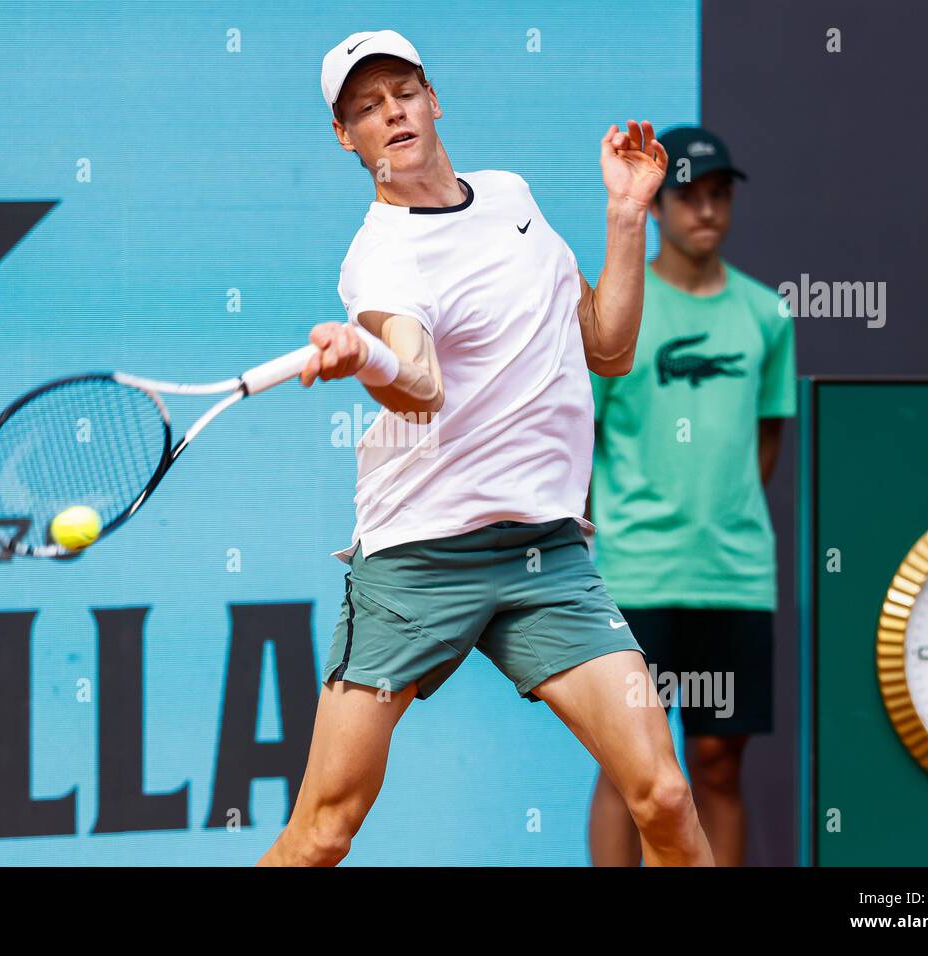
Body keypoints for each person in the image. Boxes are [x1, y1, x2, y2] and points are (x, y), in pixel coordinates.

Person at [257, 31, 713, 866]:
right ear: (344, 136)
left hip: (547, 554)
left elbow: (606, 345)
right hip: (418, 559)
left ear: (435, 99)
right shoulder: (379, 259)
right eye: (365, 107)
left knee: (666, 794)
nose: (390, 112)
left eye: (401, 92)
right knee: (324, 831)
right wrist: (370, 356)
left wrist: (624, 217)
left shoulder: (509, 197)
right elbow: (421, 384)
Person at [586, 126, 797, 866]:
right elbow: (583, 443)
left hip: (734, 578)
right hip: (636, 576)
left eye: (719, 195)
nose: (705, 211)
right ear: (657, 205)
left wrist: (719, 513)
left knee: (717, 766)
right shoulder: (617, 312)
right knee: (632, 771)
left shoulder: (768, 315)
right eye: (688, 196)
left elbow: (765, 440)